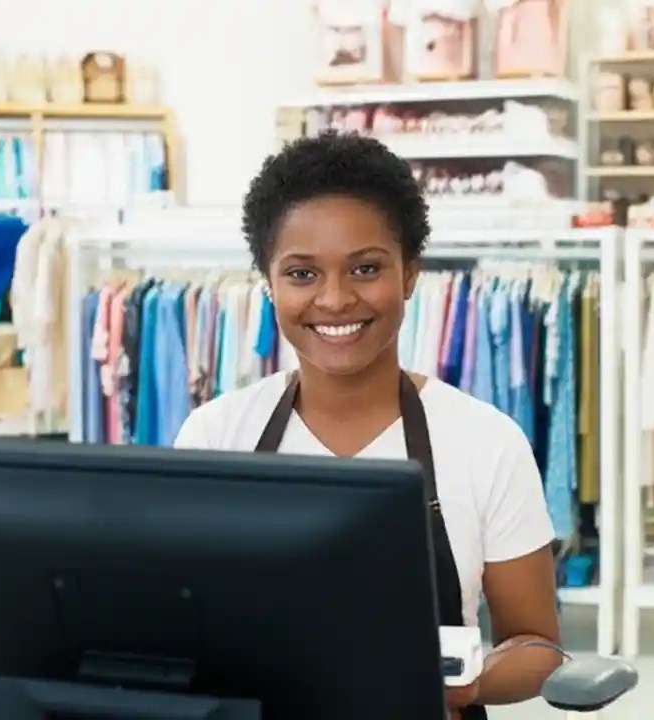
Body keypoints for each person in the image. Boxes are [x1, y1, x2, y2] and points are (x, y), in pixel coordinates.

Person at [174, 131, 562, 719]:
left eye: (365, 268)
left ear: (409, 274)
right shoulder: (214, 436)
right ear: (269, 283)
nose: (334, 299)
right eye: (302, 274)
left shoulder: (487, 441)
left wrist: (459, 687)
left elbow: (538, 647)